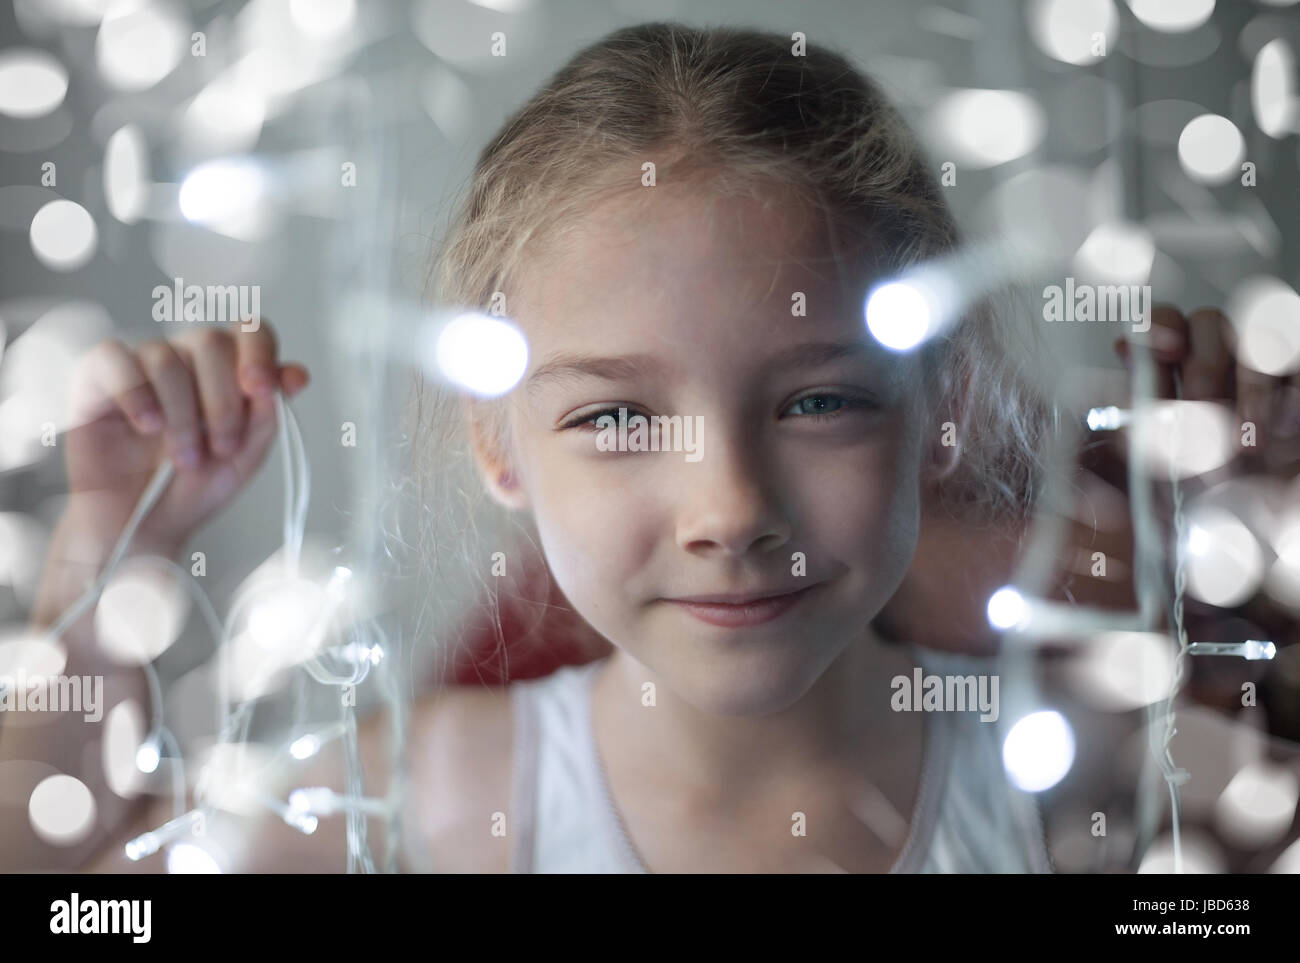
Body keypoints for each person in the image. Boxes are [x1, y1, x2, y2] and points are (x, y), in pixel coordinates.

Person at [4, 22, 1260, 874]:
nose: (728, 508)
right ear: (499, 446)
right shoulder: (448, 792)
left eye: (818, 402)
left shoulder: (1069, 769)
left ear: (941, 413)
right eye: (614, 417)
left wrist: (1250, 547)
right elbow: (61, 874)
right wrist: (108, 555)